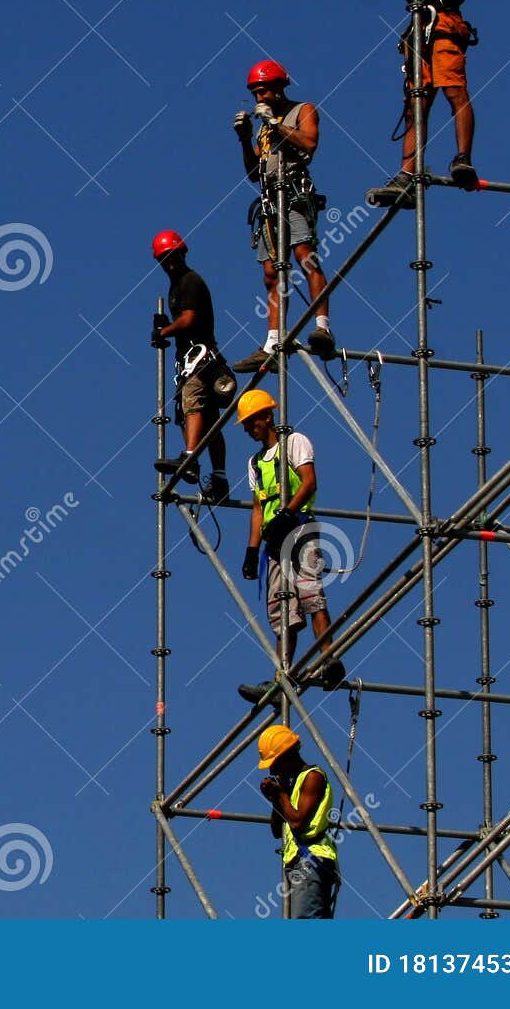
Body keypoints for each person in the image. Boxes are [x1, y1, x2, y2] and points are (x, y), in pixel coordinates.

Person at [369, 0, 486, 208]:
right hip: (422, 29)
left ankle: (462, 158)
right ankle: (406, 173)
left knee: (453, 89)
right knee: (415, 103)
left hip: (445, 21)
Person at [234, 390, 345, 702]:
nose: (248, 428)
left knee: (311, 595)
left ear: (267, 416)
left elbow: (309, 481)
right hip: (273, 542)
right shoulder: (255, 463)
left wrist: (288, 512)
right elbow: (258, 509)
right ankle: (283, 675)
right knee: (283, 611)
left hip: (298, 530)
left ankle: (328, 659)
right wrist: (251, 550)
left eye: (251, 421)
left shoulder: (294, 442)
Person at [230, 60, 336, 373]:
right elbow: (253, 172)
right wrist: (245, 138)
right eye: (255, 93)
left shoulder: (302, 110)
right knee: (271, 273)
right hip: (269, 201)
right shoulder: (264, 124)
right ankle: (273, 342)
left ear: (278, 87)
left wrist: (276, 125)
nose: (259, 97)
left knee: (306, 257)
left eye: (263, 90)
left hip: (294, 195)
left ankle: (322, 326)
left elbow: (309, 144)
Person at [151, 230, 231, 503]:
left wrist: (165, 332)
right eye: (164, 260)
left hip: (200, 359)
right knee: (206, 420)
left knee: (193, 403)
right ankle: (218, 477)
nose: (169, 264)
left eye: (172, 258)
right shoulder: (176, 286)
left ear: (182, 253)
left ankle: (190, 457)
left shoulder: (190, 281)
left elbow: (189, 320)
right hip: (193, 358)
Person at [256, 724, 340, 919]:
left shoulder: (312, 777)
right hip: (299, 863)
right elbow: (277, 830)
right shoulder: (292, 786)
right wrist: (276, 797)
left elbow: (296, 822)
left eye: (274, 762)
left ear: (287, 755)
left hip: (312, 860)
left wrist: (281, 793)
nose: (272, 768)